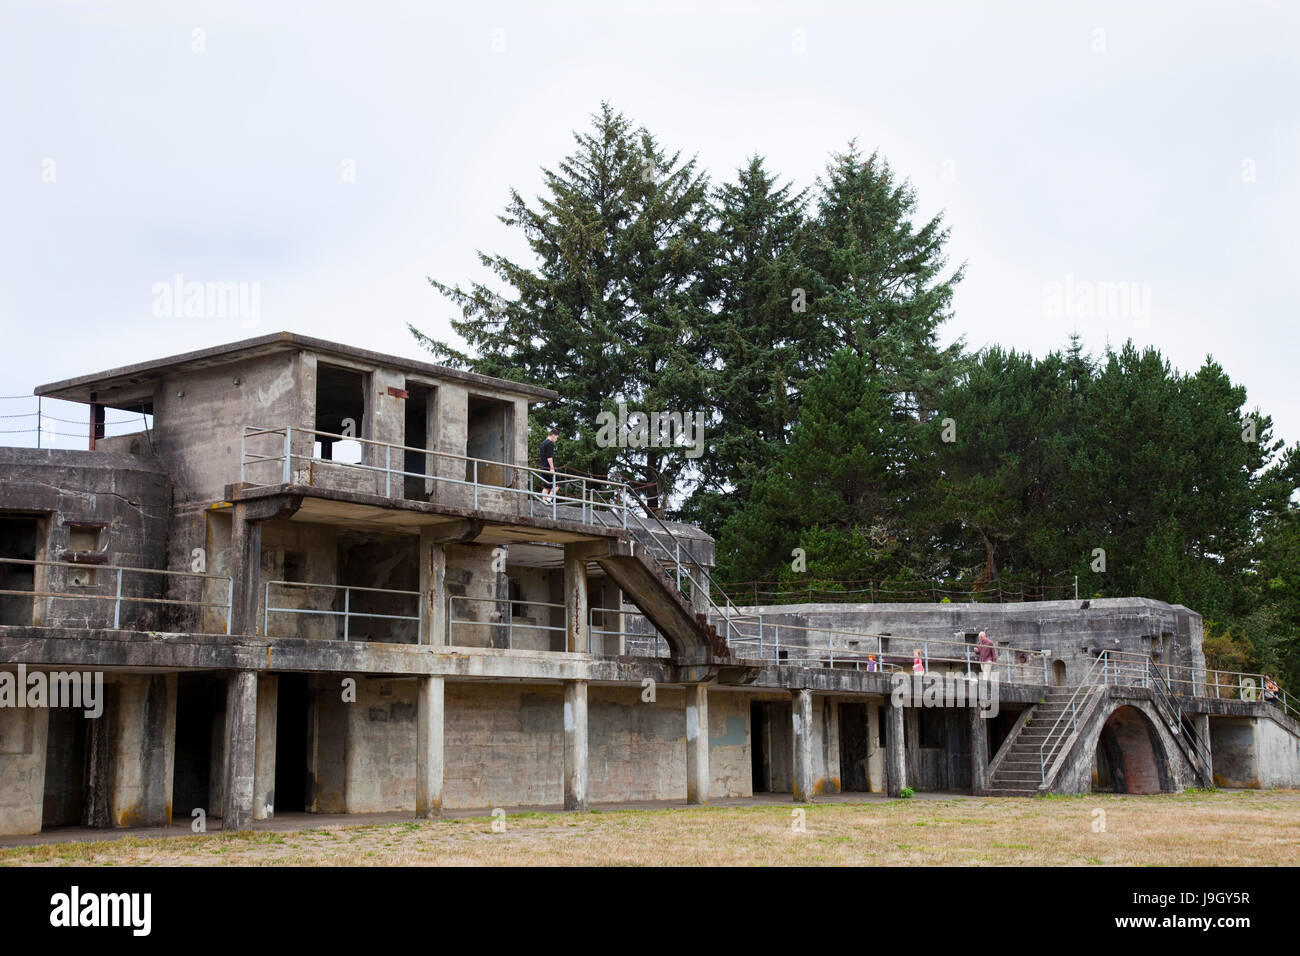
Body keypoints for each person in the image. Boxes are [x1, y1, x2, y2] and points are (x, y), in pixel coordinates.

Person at [539, 428, 558, 503]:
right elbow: (549, 457)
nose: (556, 439)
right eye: (556, 437)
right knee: (558, 484)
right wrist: (552, 468)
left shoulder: (542, 443)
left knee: (546, 486)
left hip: (542, 467)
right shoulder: (550, 443)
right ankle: (548, 499)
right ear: (553, 435)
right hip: (548, 467)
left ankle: (544, 502)